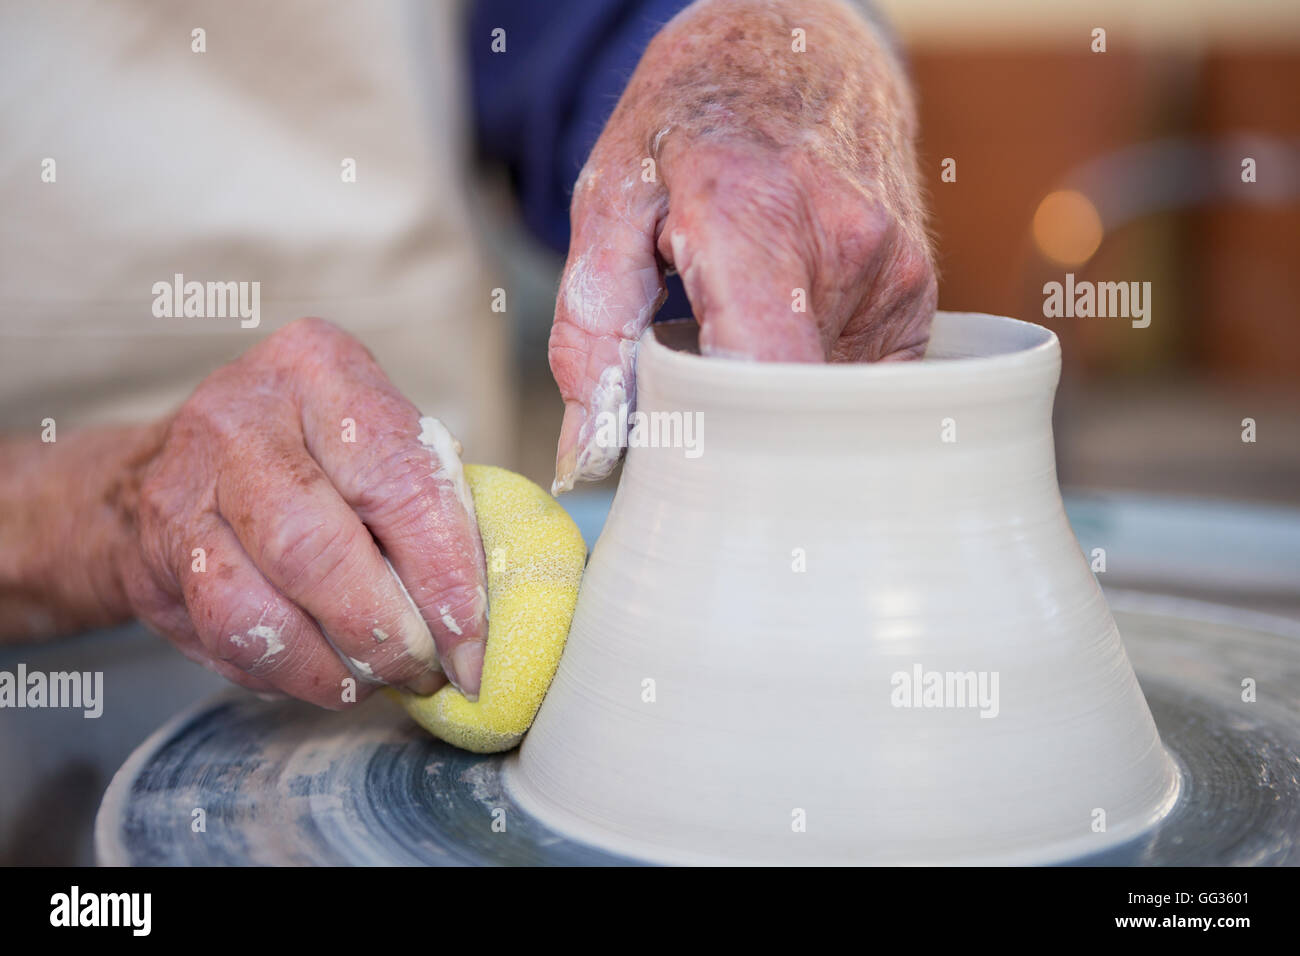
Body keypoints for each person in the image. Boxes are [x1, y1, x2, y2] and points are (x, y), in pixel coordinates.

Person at [0, 0, 935, 707]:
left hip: (438, 582)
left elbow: (589, 27)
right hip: (43, 671)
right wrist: (109, 504)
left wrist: (756, 50)